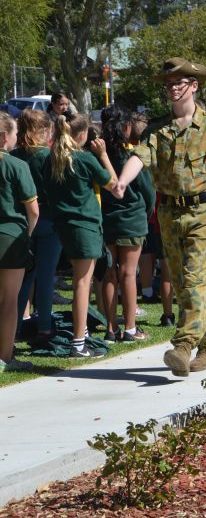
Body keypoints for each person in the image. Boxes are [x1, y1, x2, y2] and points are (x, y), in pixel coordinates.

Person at [113, 57, 206, 377]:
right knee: (183, 282)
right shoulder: (158, 129)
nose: (173, 88)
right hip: (170, 213)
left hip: (205, 210)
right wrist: (122, 180)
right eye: (169, 84)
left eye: (180, 83)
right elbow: (140, 156)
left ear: (194, 85)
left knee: (196, 277)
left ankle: (183, 345)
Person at [45, 113, 118, 357]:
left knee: (81, 281)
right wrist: (104, 155)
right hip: (84, 226)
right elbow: (116, 187)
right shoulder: (85, 159)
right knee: (82, 284)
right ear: (82, 134)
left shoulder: (52, 160)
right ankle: (78, 342)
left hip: (65, 226)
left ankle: (81, 333)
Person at [99, 104, 155, 341]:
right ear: (126, 126)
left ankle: (111, 329)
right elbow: (148, 192)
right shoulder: (131, 156)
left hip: (106, 219)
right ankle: (130, 328)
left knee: (109, 275)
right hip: (132, 218)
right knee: (129, 274)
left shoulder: (99, 156)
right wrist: (147, 213)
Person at [13, 110, 60, 341]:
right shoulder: (48, 156)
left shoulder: (15, 155)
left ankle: (16, 325)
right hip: (48, 218)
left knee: (24, 277)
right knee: (46, 276)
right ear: (43, 130)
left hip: (23, 219)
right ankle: (44, 326)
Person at [0, 111, 38, 372]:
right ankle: (5, 356)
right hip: (10, 235)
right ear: (5, 137)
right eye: (14, 134)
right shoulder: (16, 165)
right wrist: (27, 234)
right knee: (9, 301)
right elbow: (33, 210)